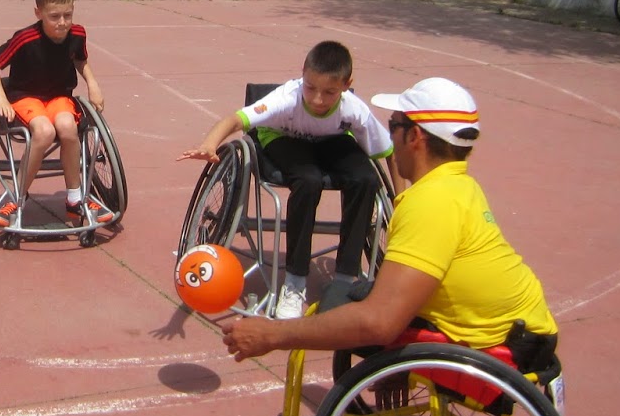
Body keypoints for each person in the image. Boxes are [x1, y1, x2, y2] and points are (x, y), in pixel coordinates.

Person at [220, 77, 557, 367]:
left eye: (394, 125)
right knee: (361, 298)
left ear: (414, 138)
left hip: (498, 348)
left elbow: (378, 324)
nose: (388, 137)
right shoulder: (461, 186)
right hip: (527, 330)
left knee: (339, 314)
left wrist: (273, 334)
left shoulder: (429, 204)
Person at [180, 40, 395, 320]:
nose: (318, 99)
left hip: (332, 142)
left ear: (346, 84)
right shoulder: (286, 98)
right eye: (311, 88)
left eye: (329, 92)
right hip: (282, 139)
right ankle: (295, 283)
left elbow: (387, 151)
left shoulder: (353, 109)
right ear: (302, 74)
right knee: (309, 180)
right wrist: (210, 143)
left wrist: (400, 199)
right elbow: (234, 120)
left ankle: (344, 280)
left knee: (365, 178)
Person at [0, 0, 110, 228]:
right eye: (54, 17)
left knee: (67, 127)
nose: (62, 23)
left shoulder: (78, 34)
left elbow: (80, 60)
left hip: (59, 95)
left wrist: (93, 84)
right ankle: (17, 199)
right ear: (38, 13)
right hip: (24, 96)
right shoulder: (25, 38)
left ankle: (74, 198)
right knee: (44, 131)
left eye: (67, 14)